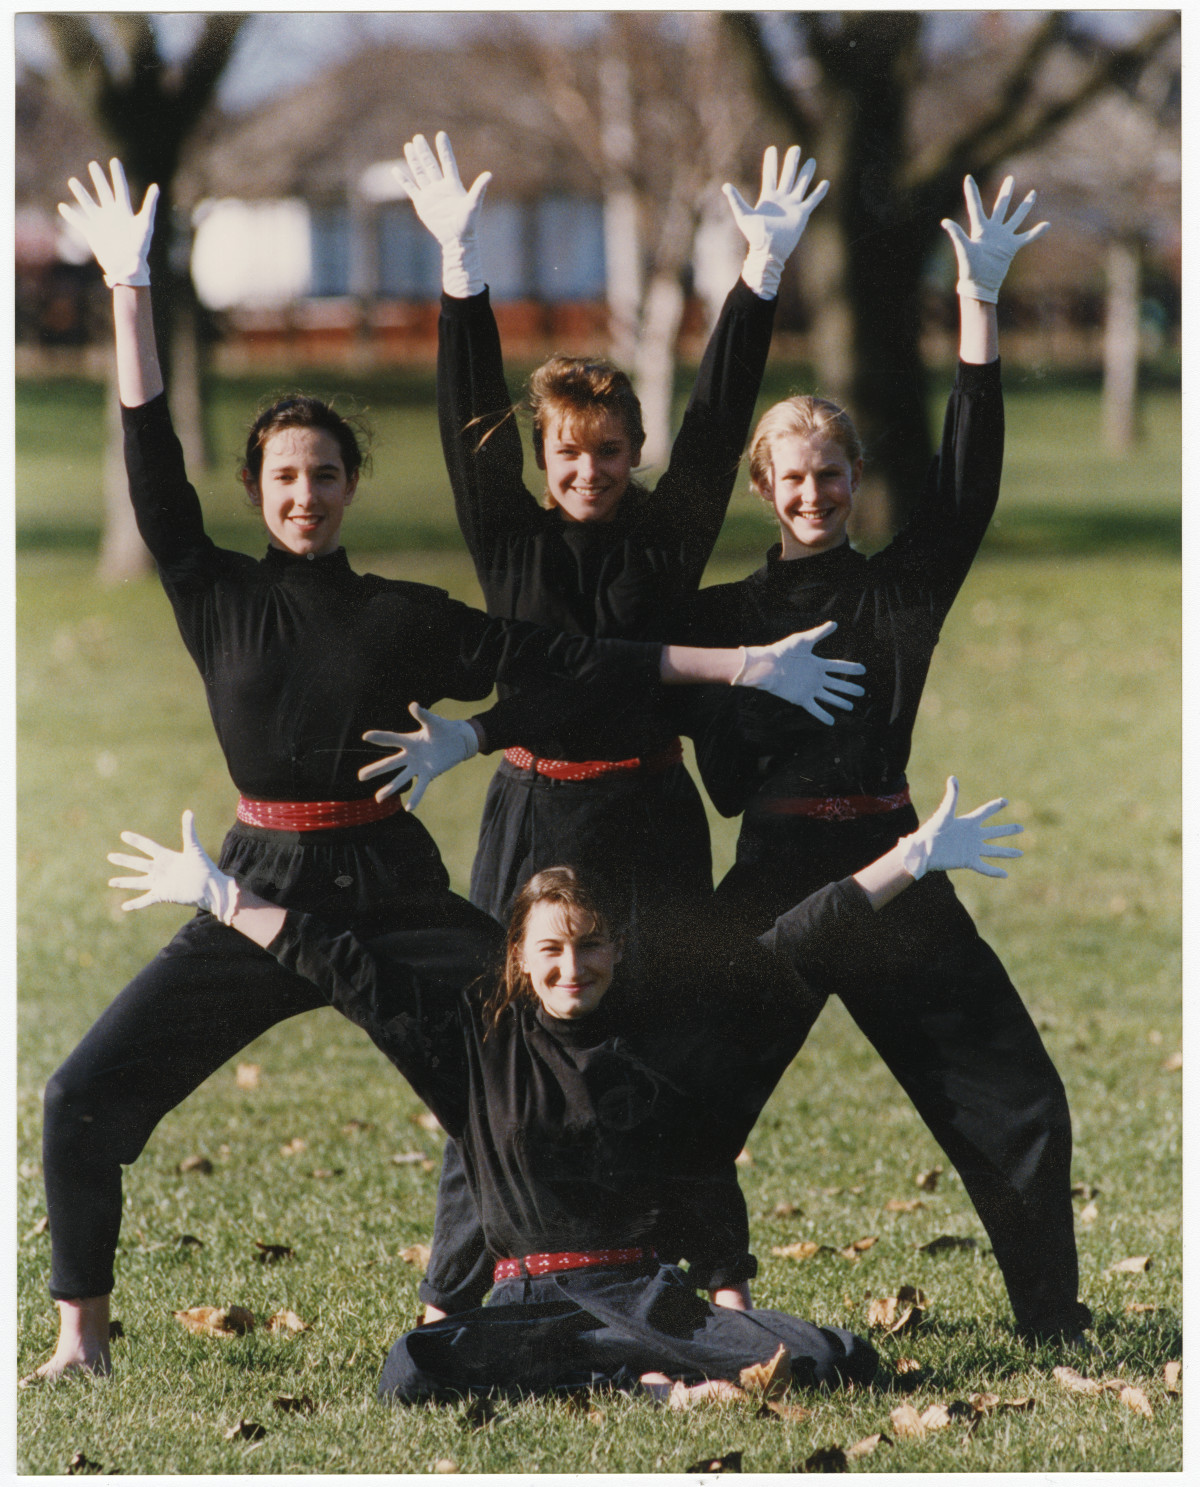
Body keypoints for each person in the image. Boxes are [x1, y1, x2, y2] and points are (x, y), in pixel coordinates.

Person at [27, 158, 863, 1383]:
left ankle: (663, 1289)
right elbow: (153, 455)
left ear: (353, 487)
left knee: (548, 1051)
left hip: (409, 870)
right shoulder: (221, 593)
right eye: (284, 477)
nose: (304, 493)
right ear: (258, 491)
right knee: (78, 1097)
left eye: (323, 474)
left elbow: (593, 624)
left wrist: (758, 278)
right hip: (271, 862)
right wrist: (131, 286)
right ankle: (80, 1338)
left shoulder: (434, 601)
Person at [102, 774, 1022, 1403]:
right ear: (520, 959)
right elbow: (344, 969)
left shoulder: (660, 1041)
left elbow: (794, 943)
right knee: (413, 1372)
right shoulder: (472, 1047)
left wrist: (913, 856)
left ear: (613, 950)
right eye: (550, 948)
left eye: (588, 946)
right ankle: (654, 1383)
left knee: (837, 1355)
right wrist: (221, 894)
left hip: (646, 1295)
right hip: (528, 1304)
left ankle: (653, 1373)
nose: (571, 966)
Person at [395, 129, 838, 1319]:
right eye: (567, 453)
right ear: (543, 461)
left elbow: (717, 417)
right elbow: (464, 420)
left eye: (607, 450)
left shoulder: (664, 532)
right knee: (499, 1042)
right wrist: (459, 269)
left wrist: (758, 274)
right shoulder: (514, 537)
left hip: (647, 808)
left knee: (667, 1033)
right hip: (532, 804)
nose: (586, 468)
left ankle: (716, 1277)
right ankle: (458, 1286)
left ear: (632, 455)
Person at [673, 176, 1092, 1345]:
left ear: (855, 483)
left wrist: (979, 303)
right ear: (766, 487)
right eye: (792, 476)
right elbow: (638, 695)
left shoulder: (897, 592)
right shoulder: (717, 616)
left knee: (1020, 1098)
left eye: (833, 473)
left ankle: (1053, 1316)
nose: (814, 491)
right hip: (778, 876)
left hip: (898, 859)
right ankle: (695, 1301)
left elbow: (965, 487)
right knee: (698, 1091)